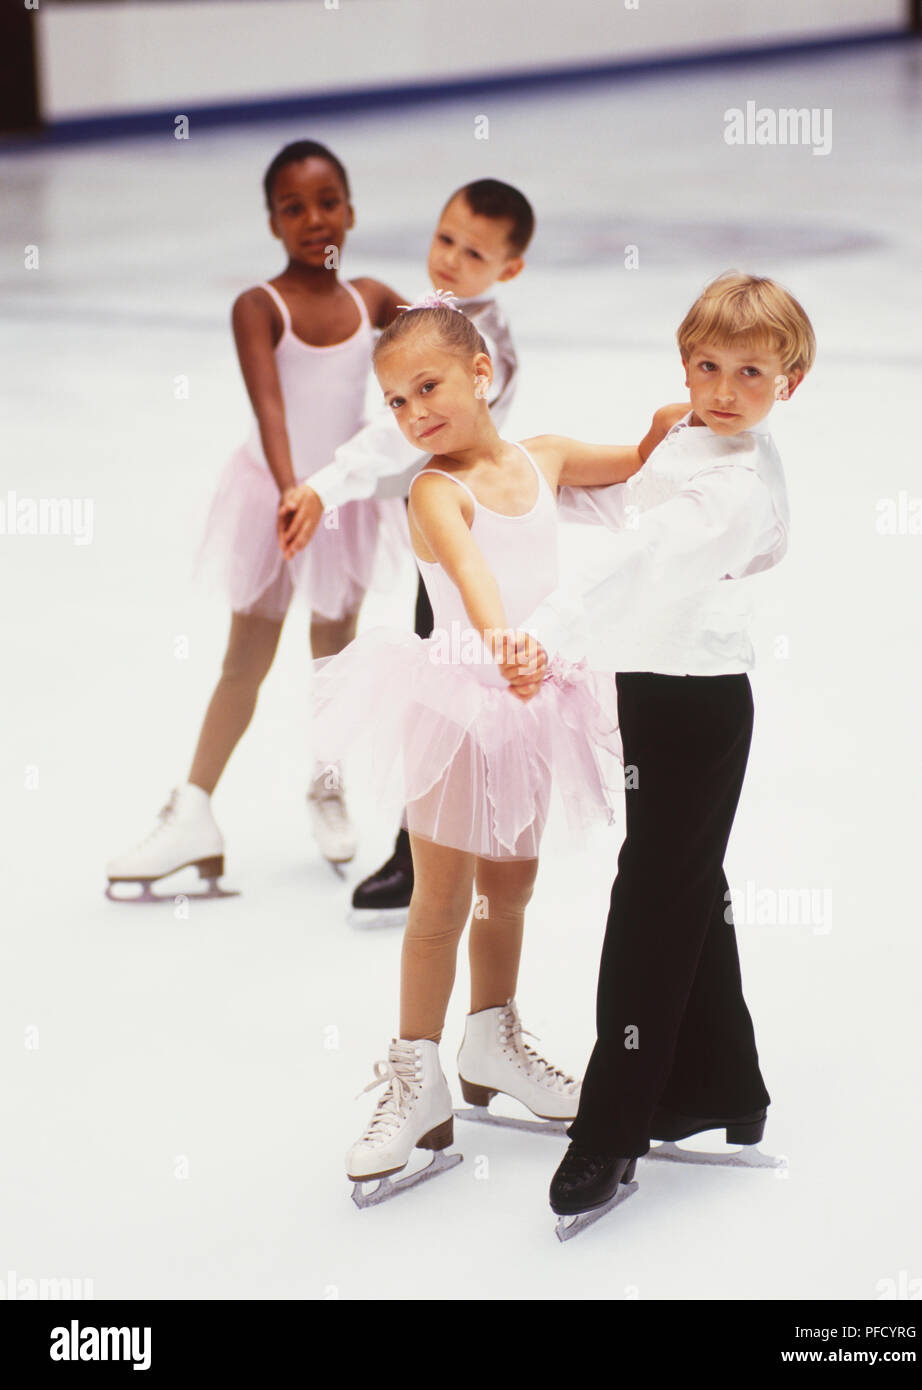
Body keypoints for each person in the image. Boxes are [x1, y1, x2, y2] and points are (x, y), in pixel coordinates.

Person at [308, 295, 686, 1188]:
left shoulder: (540, 457)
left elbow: (634, 462)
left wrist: (668, 427)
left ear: (483, 374)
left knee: (510, 889)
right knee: (440, 901)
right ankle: (416, 1076)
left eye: (427, 386)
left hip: (531, 704)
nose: (413, 414)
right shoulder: (434, 488)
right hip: (460, 699)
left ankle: (494, 1036)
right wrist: (505, 640)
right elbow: (473, 572)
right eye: (396, 402)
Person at [512, 271, 816, 1220]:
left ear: (789, 382)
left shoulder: (733, 480)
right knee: (689, 888)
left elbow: (643, 551)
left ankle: (615, 1122)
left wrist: (551, 624)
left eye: (751, 373)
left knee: (651, 902)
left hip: (696, 704)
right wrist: (532, 493)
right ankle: (722, 1088)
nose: (724, 389)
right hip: (650, 689)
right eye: (707, 366)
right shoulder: (691, 441)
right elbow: (630, 516)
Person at [105, 140, 404, 899]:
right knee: (247, 658)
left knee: (334, 654)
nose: (314, 219)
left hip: (339, 499)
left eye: (328, 201)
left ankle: (326, 783)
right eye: (293, 207)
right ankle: (194, 810)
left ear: (353, 210)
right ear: (272, 222)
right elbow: (270, 407)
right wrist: (289, 492)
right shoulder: (259, 306)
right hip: (277, 500)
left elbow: (442, 343)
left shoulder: (371, 299)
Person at [277, 178, 535, 924]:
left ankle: (425, 858)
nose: (450, 258)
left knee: (446, 695)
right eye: (446, 238)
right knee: (444, 693)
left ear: (508, 269)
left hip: (467, 538)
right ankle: (432, 849)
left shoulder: (478, 347)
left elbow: (402, 432)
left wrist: (328, 481)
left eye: (475, 251)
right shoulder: (436, 318)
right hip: (445, 530)